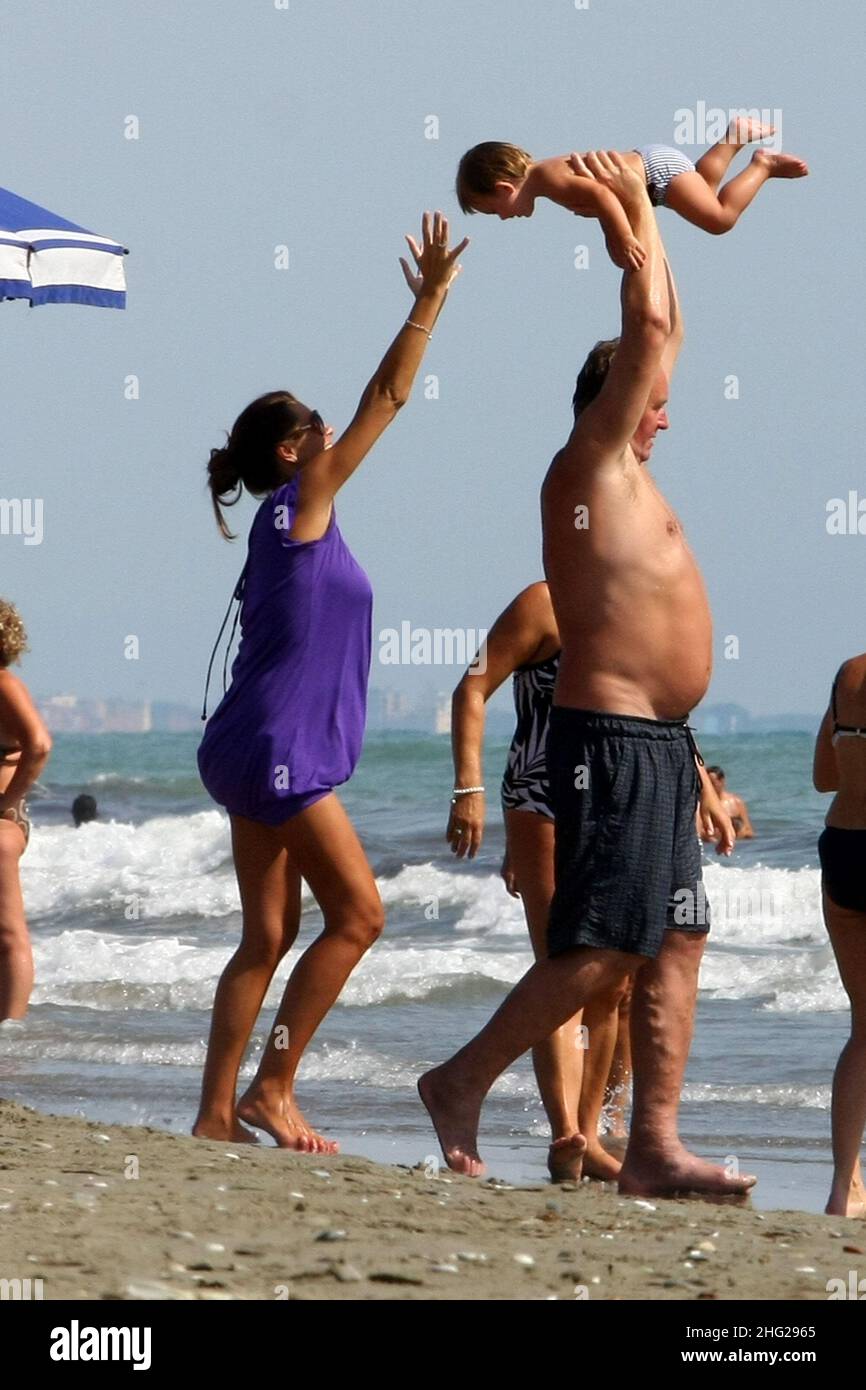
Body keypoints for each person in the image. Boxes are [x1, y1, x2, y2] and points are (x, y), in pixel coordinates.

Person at [420, 152, 753, 1198]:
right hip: (606, 739)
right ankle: (460, 1079)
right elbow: (650, 336)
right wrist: (622, 219)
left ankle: (651, 1143)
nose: (665, 409)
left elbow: (670, 336)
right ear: (609, 402)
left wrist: (650, 212)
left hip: (657, 741)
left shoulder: (624, 477)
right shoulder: (586, 467)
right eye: (648, 401)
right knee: (607, 946)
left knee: (679, 939)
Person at [194, 213, 468, 1152]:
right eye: (316, 427)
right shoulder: (304, 499)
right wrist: (429, 301)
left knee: (265, 939)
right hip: (277, 750)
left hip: (248, 744)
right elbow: (387, 397)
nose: (331, 433)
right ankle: (272, 1089)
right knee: (358, 916)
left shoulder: (292, 518)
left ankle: (210, 1117)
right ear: (290, 450)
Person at [448, 580, 630, 1181]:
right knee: (563, 963)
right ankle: (567, 1133)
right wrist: (468, 790)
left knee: (610, 976)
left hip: (619, 800)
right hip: (542, 796)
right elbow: (472, 688)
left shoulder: (635, 599)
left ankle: (592, 1130)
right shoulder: (542, 603)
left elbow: (658, 706)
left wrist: (699, 787)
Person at [456, 119, 807, 269]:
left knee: (718, 219)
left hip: (654, 174)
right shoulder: (547, 180)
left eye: (494, 210)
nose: (503, 217)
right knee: (704, 184)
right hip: (655, 170)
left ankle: (763, 165)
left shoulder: (548, 179)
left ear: (504, 188)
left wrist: (621, 237)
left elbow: (607, 199)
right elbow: (601, 199)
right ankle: (735, 136)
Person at [813, 655, 866, 1217]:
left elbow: (824, 776)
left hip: (845, 849)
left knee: (864, 1028)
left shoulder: (847, 673)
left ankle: (843, 1187)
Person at [0, 599, 52, 1020]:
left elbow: (39, 744)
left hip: (1, 825)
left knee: (8, 933)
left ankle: (11, 1039)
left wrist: (7, 801)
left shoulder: (4, 685)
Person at [705, 766, 754, 840]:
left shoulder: (737, 802)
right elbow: (699, 831)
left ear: (722, 781)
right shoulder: (704, 804)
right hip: (713, 845)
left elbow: (749, 831)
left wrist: (736, 836)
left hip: (736, 844)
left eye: (712, 783)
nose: (709, 787)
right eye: (707, 784)